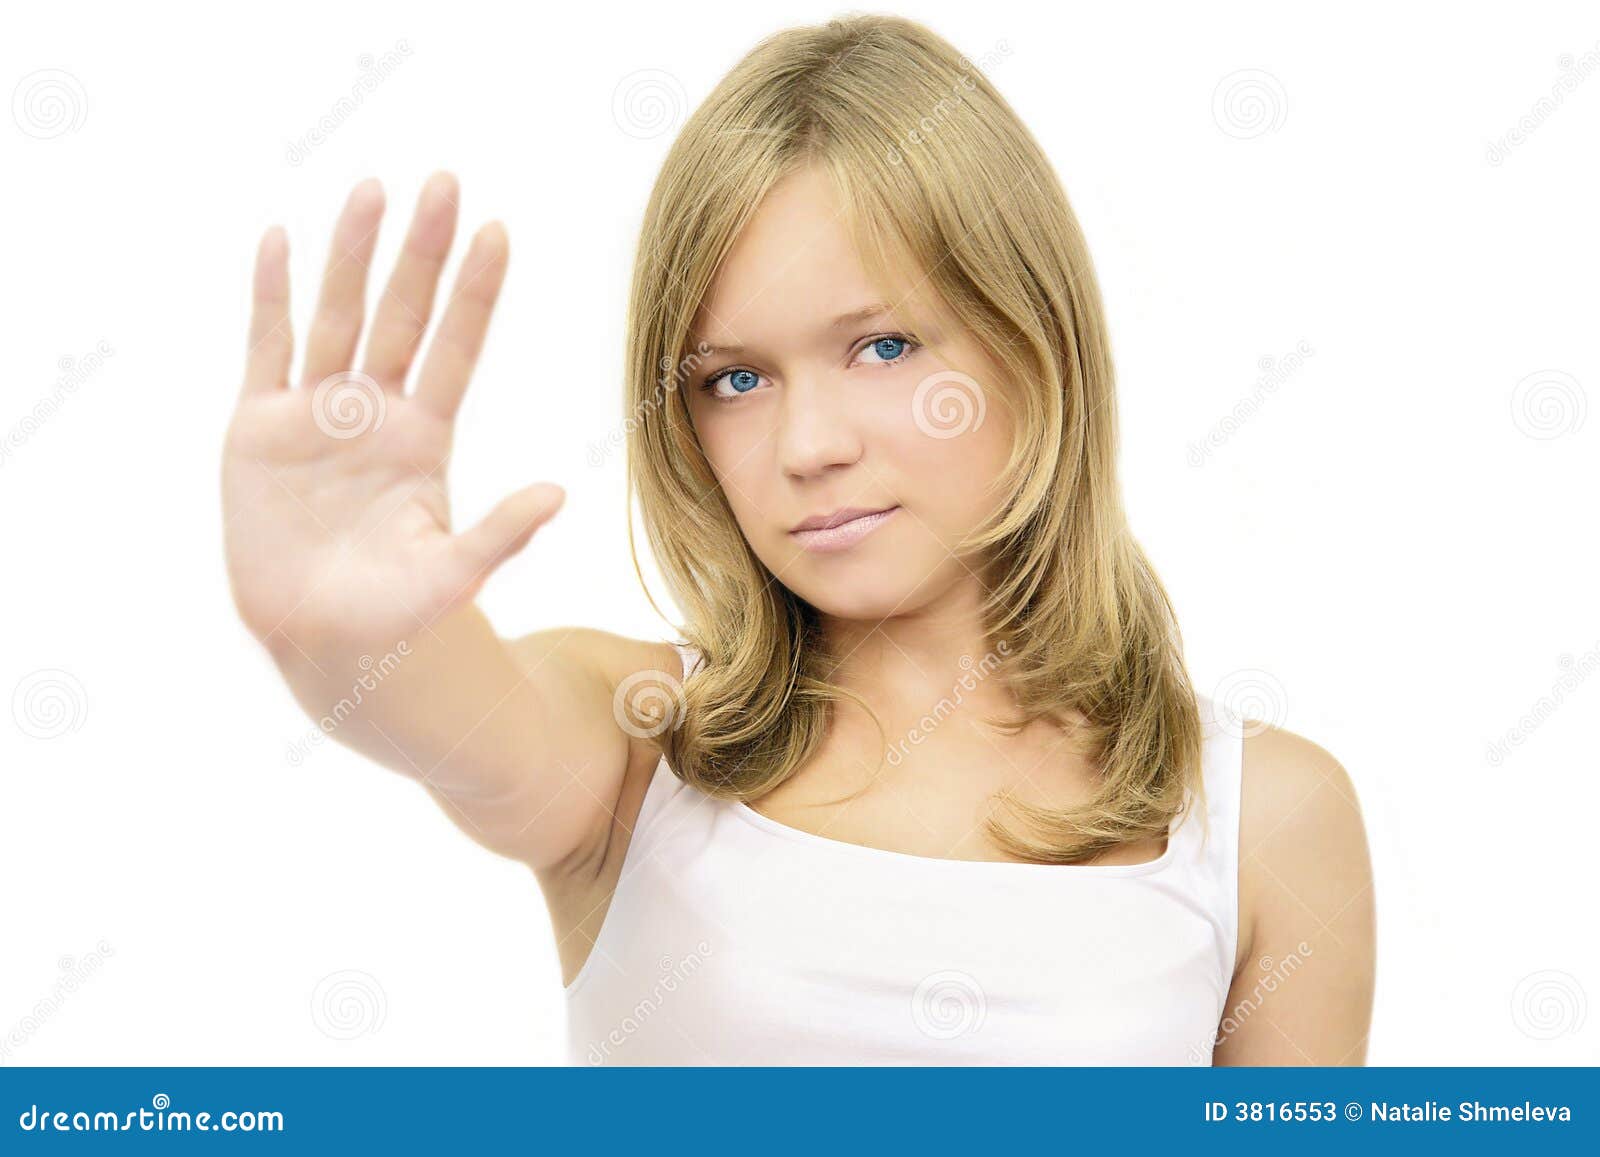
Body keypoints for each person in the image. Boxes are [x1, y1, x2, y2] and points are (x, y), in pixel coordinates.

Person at [221, 13, 1374, 1066]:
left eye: (880, 347)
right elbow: (458, 714)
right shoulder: (636, 749)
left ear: (1034, 343)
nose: (806, 443)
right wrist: (336, 633)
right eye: (735, 377)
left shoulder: (1262, 815)